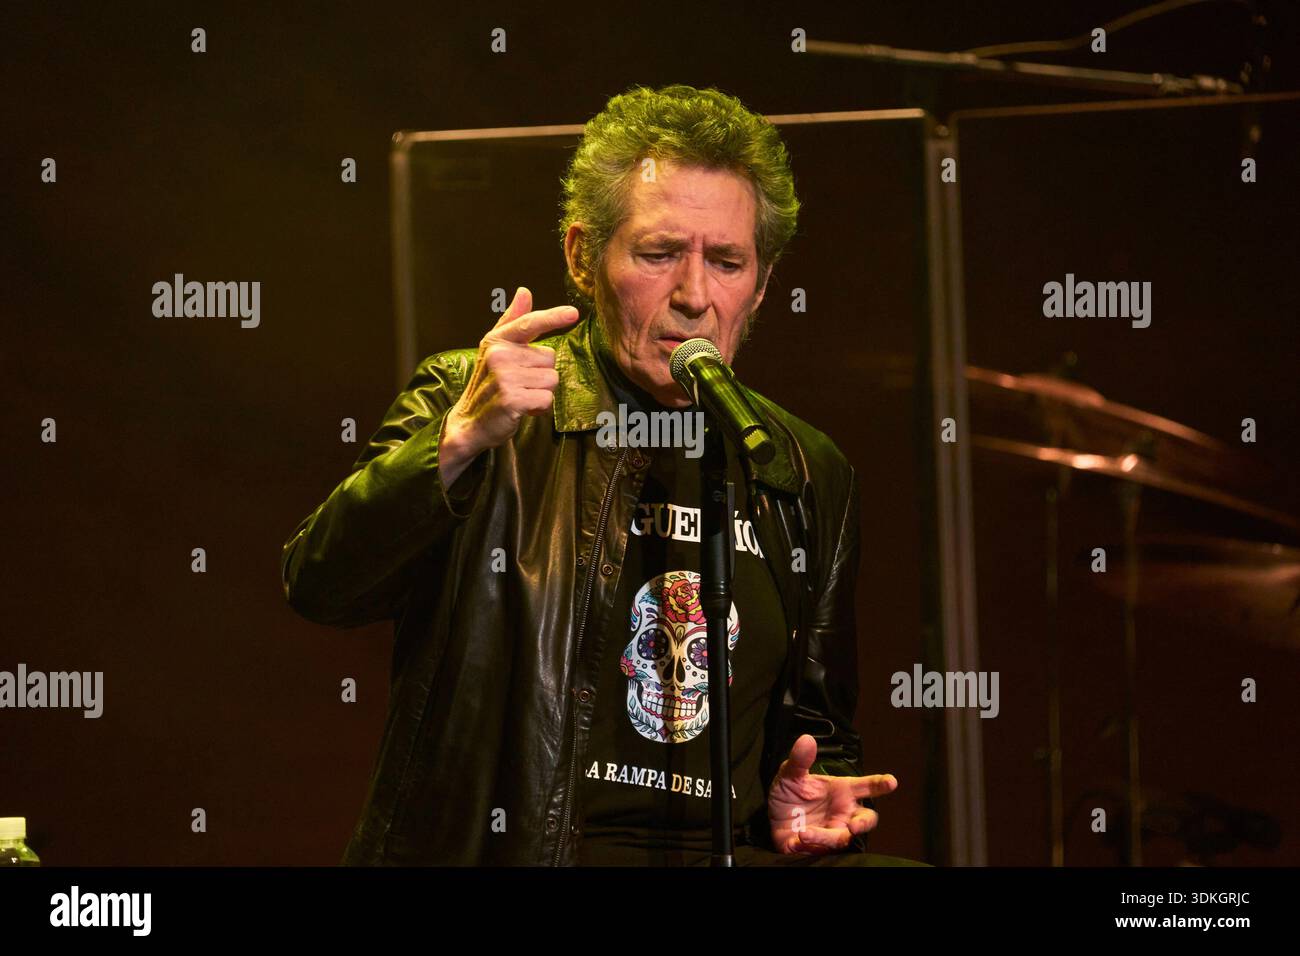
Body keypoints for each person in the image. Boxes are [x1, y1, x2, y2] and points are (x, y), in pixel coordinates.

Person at [282, 84, 922, 866]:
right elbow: (320, 584)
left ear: (759, 284)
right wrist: (453, 445)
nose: (693, 296)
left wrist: (809, 797)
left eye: (726, 262)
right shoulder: (477, 401)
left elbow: (820, 731)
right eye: (658, 255)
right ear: (583, 256)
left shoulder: (800, 468)